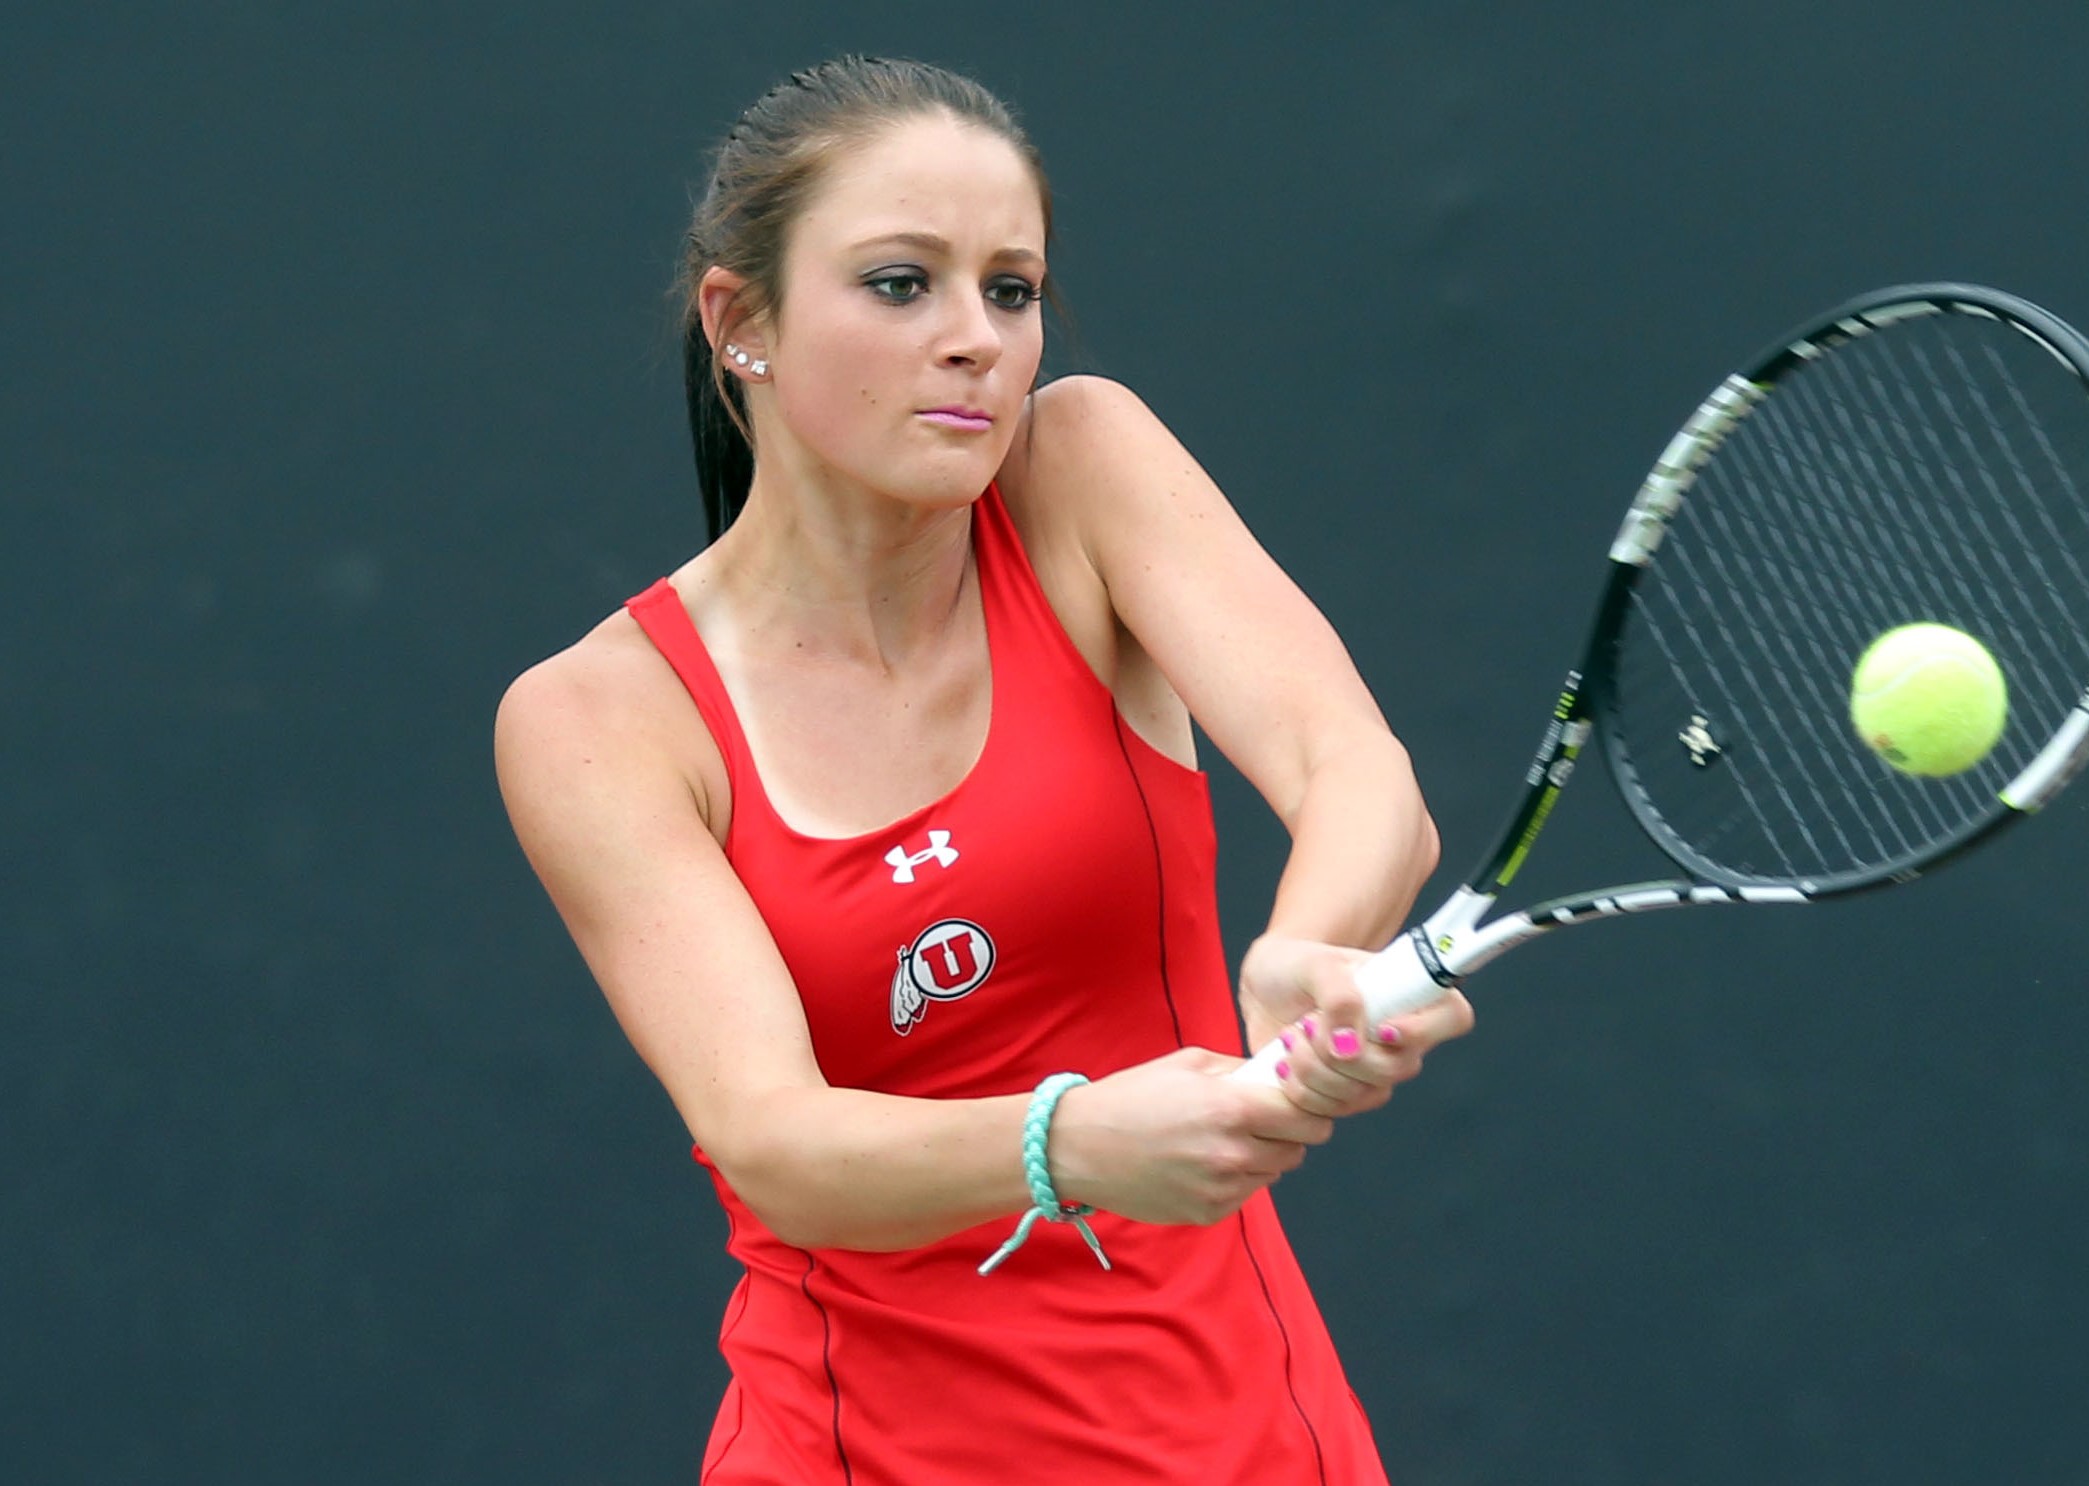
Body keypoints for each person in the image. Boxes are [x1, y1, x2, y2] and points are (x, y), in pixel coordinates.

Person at [494, 55, 1473, 1485]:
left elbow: (1356, 769)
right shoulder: (599, 718)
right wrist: (1068, 1143)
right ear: (740, 320)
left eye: (1010, 289)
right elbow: (769, 1138)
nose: (979, 341)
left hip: (1247, 1439)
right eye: (903, 284)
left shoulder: (1081, 466)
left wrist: (1302, 949)